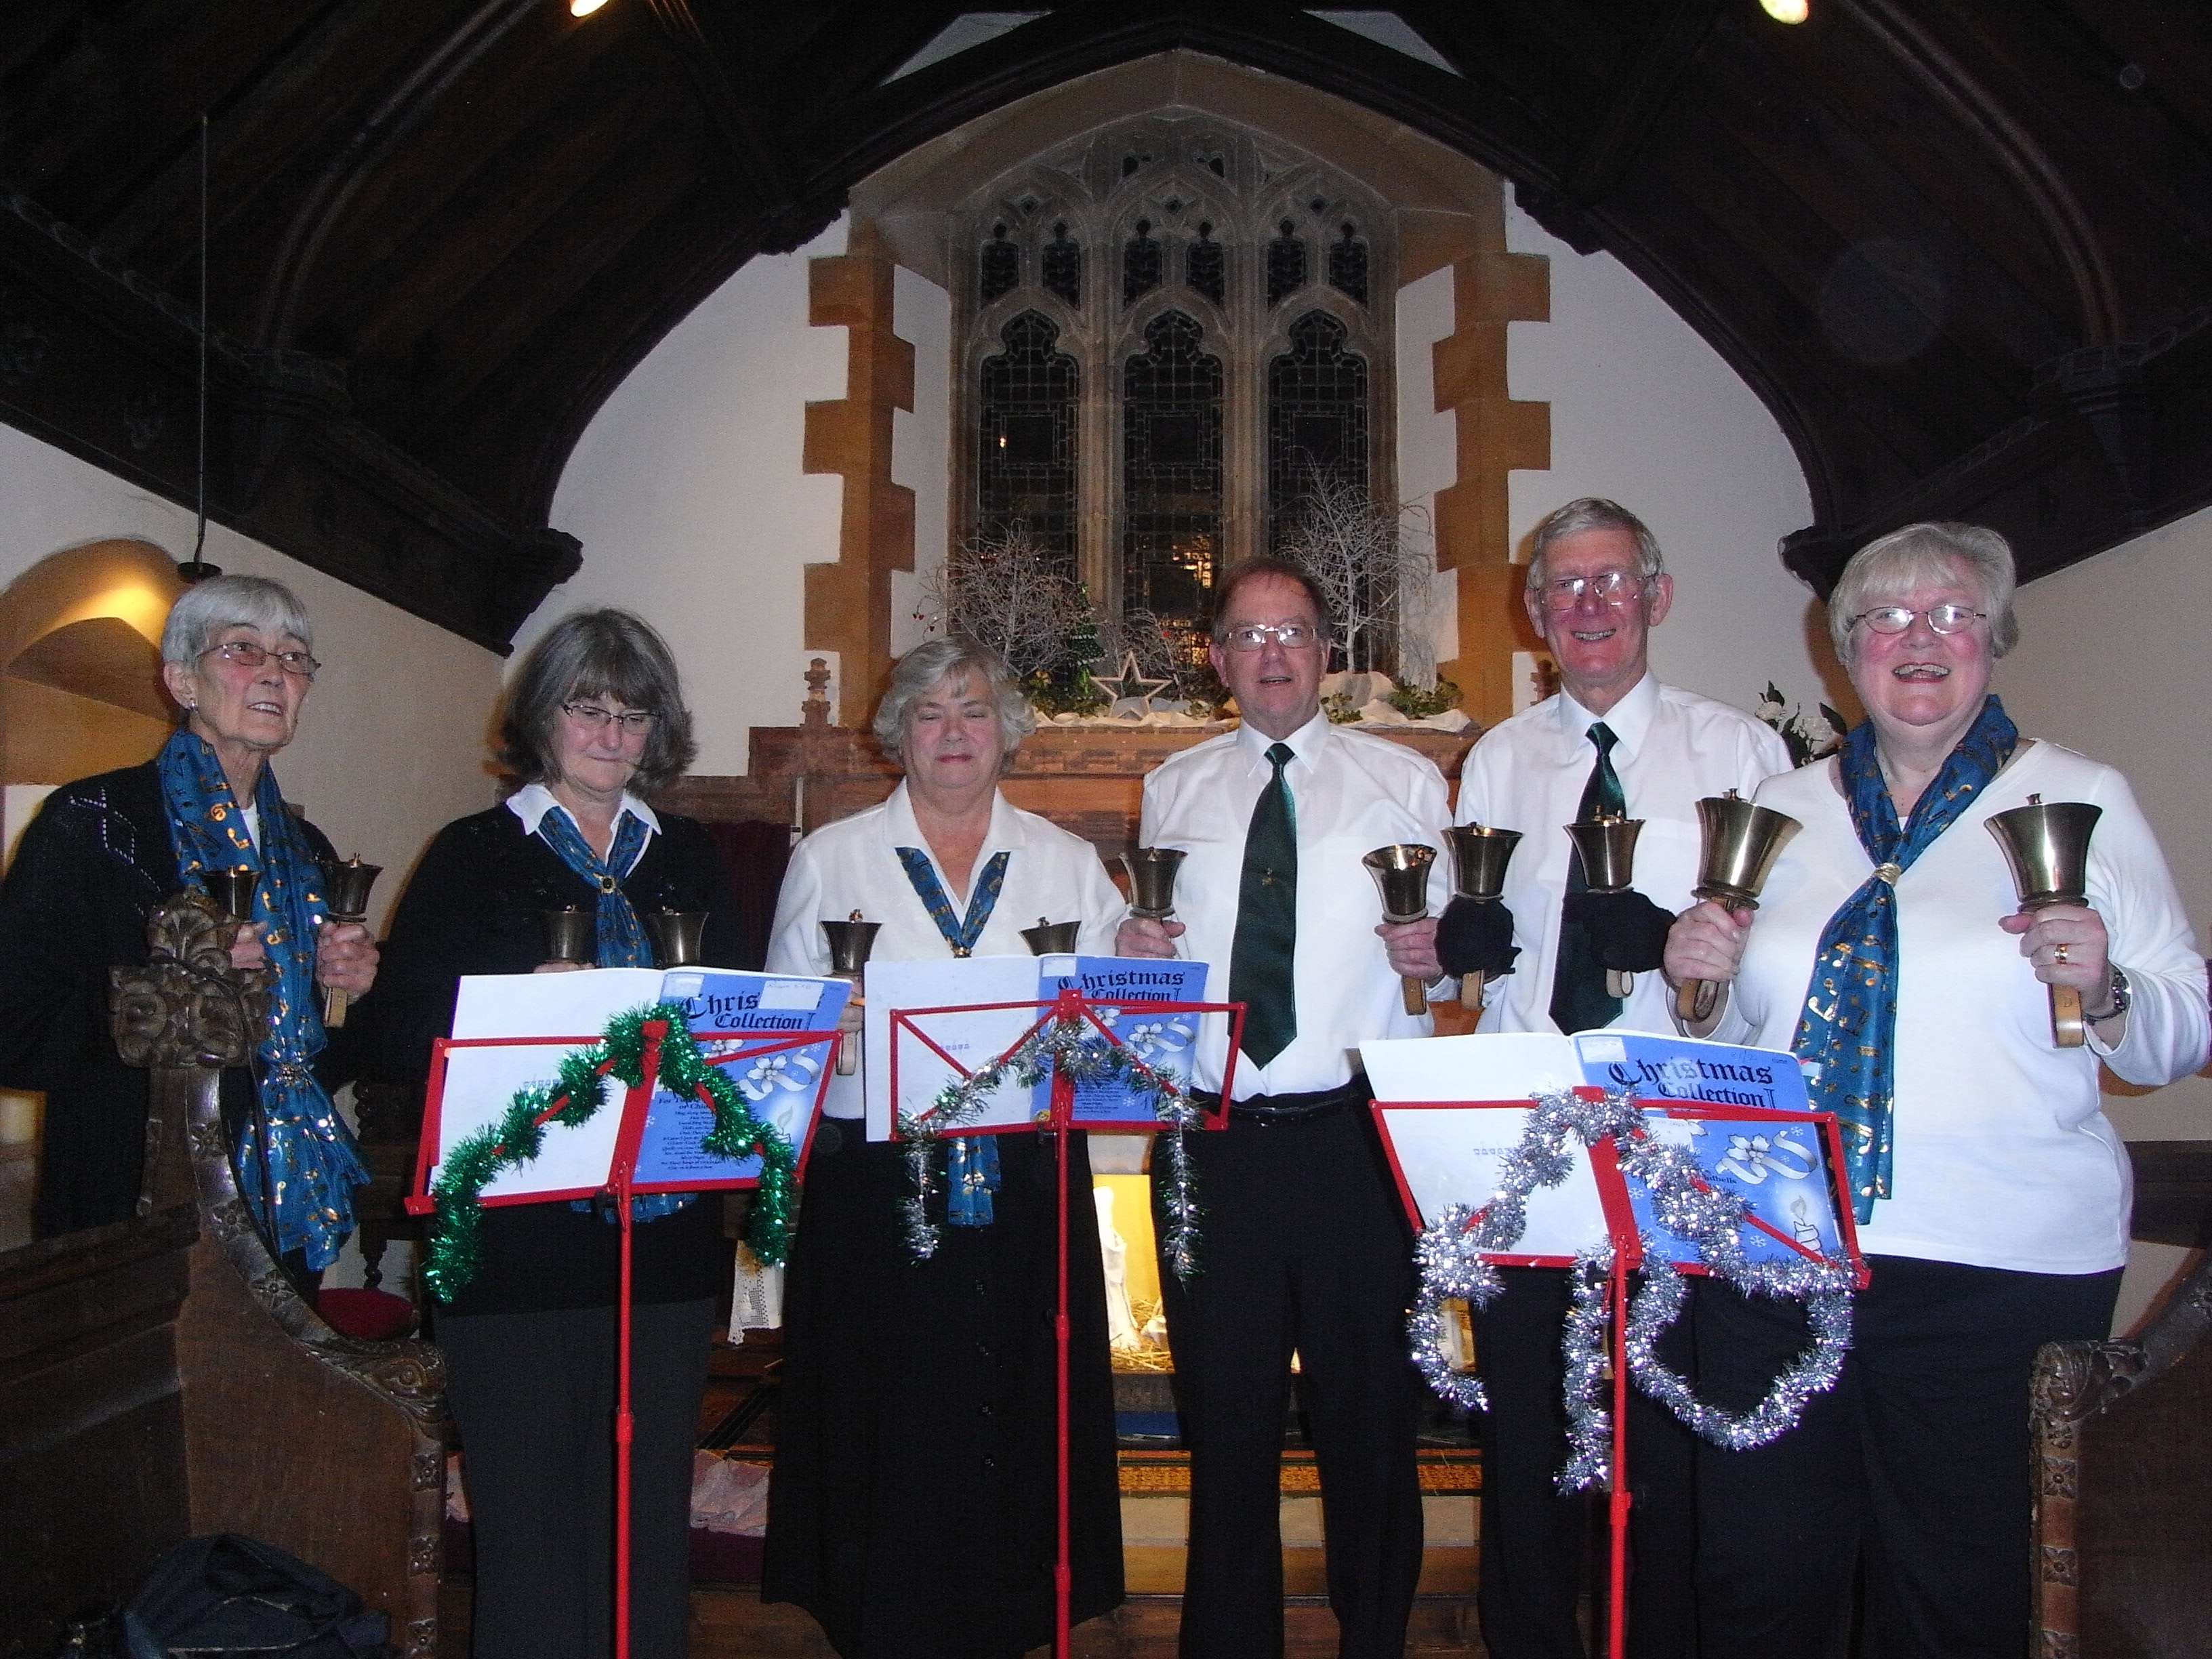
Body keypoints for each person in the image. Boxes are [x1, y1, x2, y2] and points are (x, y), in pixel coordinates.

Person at [1661, 521, 2207, 1657]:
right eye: (1883, 618)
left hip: (1992, 1270)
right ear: (1844, 650)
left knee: (1951, 1595)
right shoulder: (1782, 806)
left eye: (1950, 614)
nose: (1918, 638)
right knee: (1757, 1580)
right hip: (1774, 1250)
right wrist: (1692, 987)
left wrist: (2104, 987)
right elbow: (1734, 1033)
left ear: (1991, 640)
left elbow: (2176, 1030)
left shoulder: (2077, 794)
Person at [1439, 498, 1788, 1658]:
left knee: (1662, 1414)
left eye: (1608, 581)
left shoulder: (1735, 751)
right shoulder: (1497, 757)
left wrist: (1695, 959)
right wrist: (1452, 946)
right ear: (1532, 612)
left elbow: (1773, 967)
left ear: (1656, 595)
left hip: (1673, 1124)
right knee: (1531, 1418)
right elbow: (1485, 967)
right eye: (1562, 588)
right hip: (1531, 1123)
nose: (1586, 605)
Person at [367, 609, 743, 1659]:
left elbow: (739, 1019)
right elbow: (399, 1033)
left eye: (635, 714)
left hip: (658, 1238)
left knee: (644, 1511)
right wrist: (512, 1002)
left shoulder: (691, 857)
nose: (612, 734)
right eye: (589, 707)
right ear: (544, 716)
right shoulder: (473, 853)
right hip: (510, 1241)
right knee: (527, 1514)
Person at [760, 638, 1127, 1659]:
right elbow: (779, 1045)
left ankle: (1018, 1610)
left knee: (1015, 1395)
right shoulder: (830, 858)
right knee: (890, 1404)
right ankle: (882, 1612)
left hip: (1024, 1174)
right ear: (899, 737)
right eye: (930, 713)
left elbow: (1110, 1040)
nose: (955, 731)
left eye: (973, 709)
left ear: (1007, 730)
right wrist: (816, 1039)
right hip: (877, 1176)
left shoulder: (1064, 860)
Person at [1116, 558, 1448, 1659]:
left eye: (1293, 631)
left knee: (1369, 1425)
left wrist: (1437, 957)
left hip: (1354, 1142)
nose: (1271, 653)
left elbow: (1448, 972)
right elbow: (1157, 966)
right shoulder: (1171, 788)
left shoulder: (1405, 780)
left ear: (1325, 650)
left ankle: (1374, 1642)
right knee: (1226, 1425)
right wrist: (1133, 952)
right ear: (1216, 657)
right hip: (1213, 1143)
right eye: (1248, 634)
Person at [0, 573, 377, 1267]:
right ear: (181, 681)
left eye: (294, 658)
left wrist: (348, 992)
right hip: (133, 1205)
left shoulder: (309, 855)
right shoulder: (95, 824)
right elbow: (14, 1028)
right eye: (242, 650)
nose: (274, 674)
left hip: (280, 1200)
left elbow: (322, 1058)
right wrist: (179, 980)